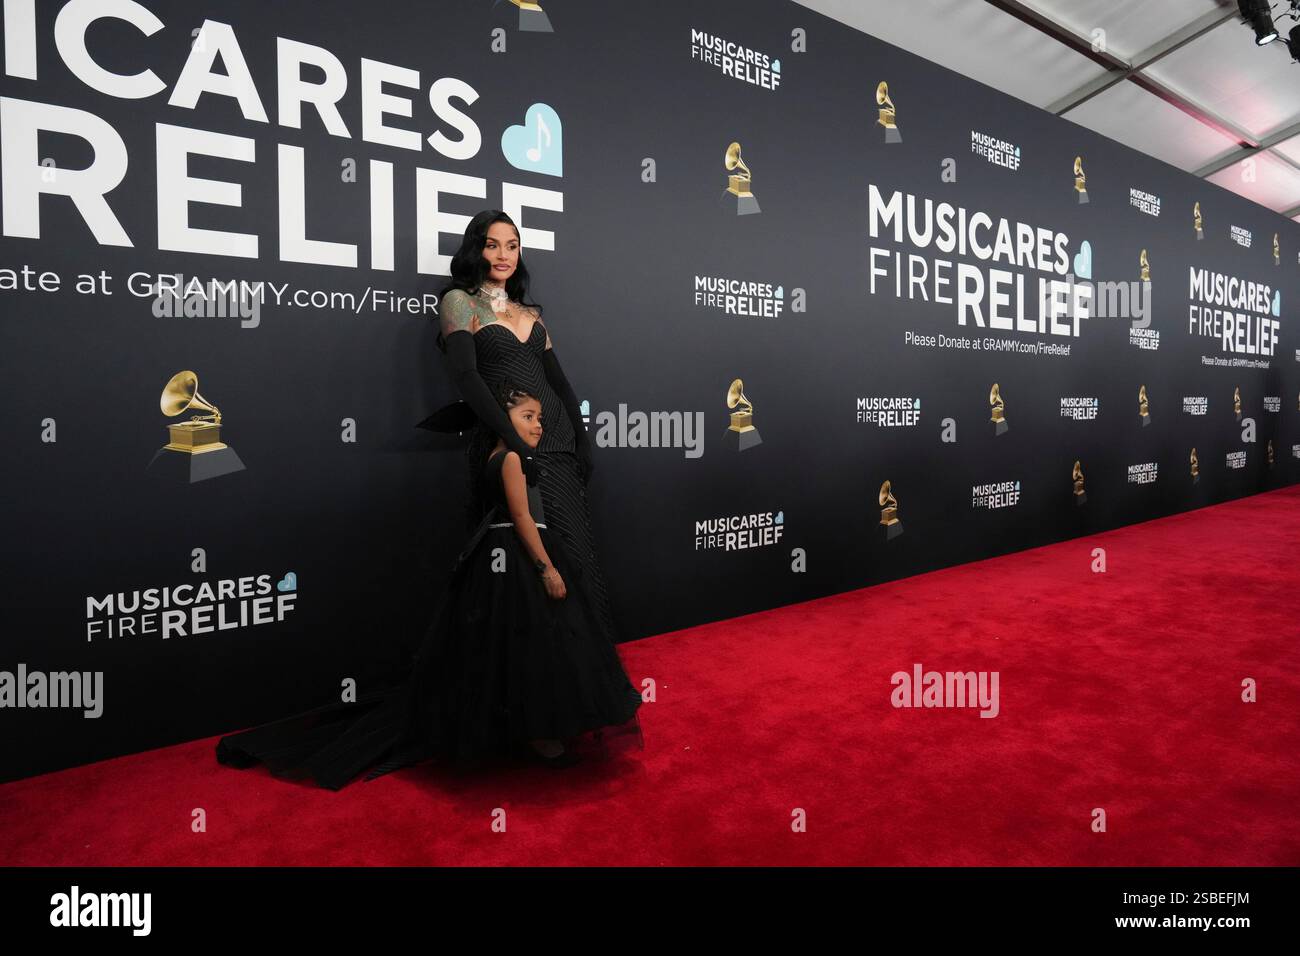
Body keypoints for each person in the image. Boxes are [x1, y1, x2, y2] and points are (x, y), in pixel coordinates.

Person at [215, 381, 643, 787]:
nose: (538, 425)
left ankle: (530, 732)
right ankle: (540, 737)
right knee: (536, 645)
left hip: (502, 558)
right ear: (500, 419)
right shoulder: (510, 459)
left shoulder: (498, 458)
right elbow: (522, 518)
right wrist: (548, 569)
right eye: (529, 416)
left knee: (515, 648)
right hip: (518, 556)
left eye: (541, 419)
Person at [430, 210, 624, 646]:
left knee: (576, 552)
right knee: (528, 559)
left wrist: (582, 437)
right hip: (508, 444)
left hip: (556, 443)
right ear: (475, 248)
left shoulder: (528, 312)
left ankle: (587, 667)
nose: (504, 255)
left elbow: (560, 383)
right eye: (493, 244)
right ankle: (538, 681)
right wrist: (514, 441)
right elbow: (467, 378)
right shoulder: (460, 302)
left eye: (512, 246)